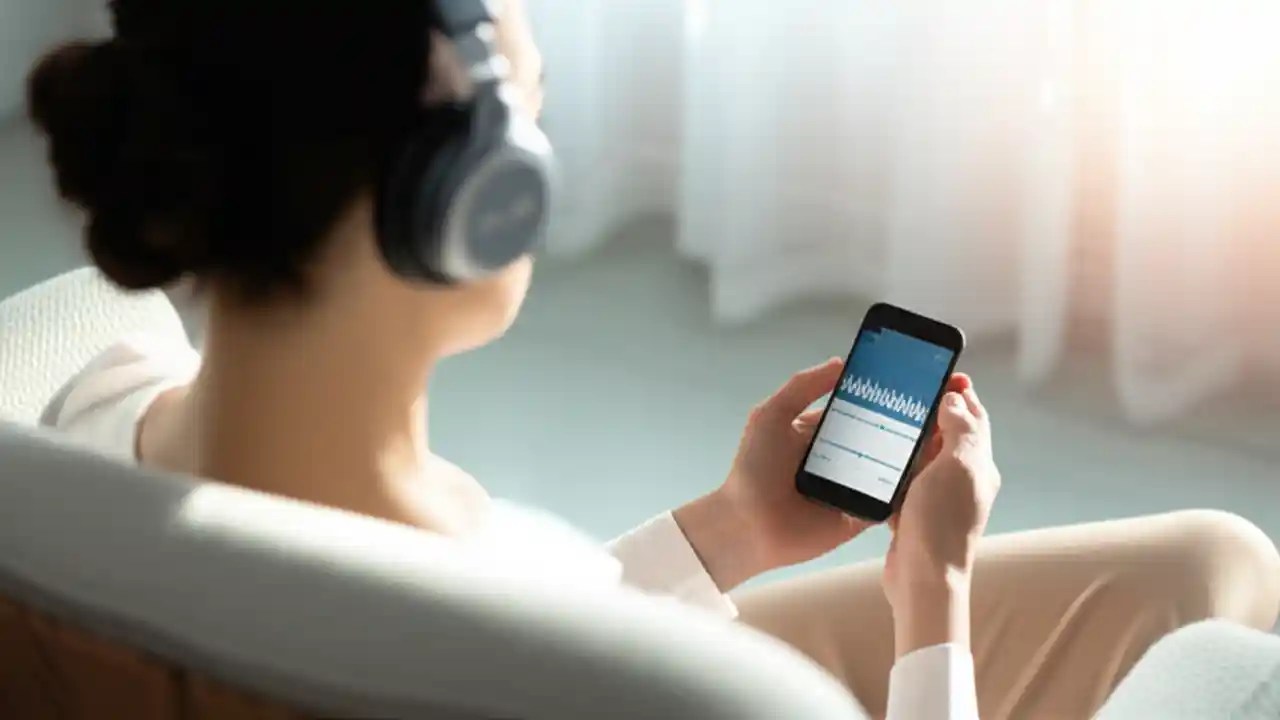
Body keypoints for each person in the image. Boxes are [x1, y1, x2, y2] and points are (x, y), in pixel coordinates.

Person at [22, 1, 1279, 718]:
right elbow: (526, 641)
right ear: (474, 199)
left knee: (1201, 562)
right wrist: (930, 593)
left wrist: (729, 530)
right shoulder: (615, 670)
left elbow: (469, 616)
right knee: (1228, 621)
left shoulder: (67, 411)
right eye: (536, 98)